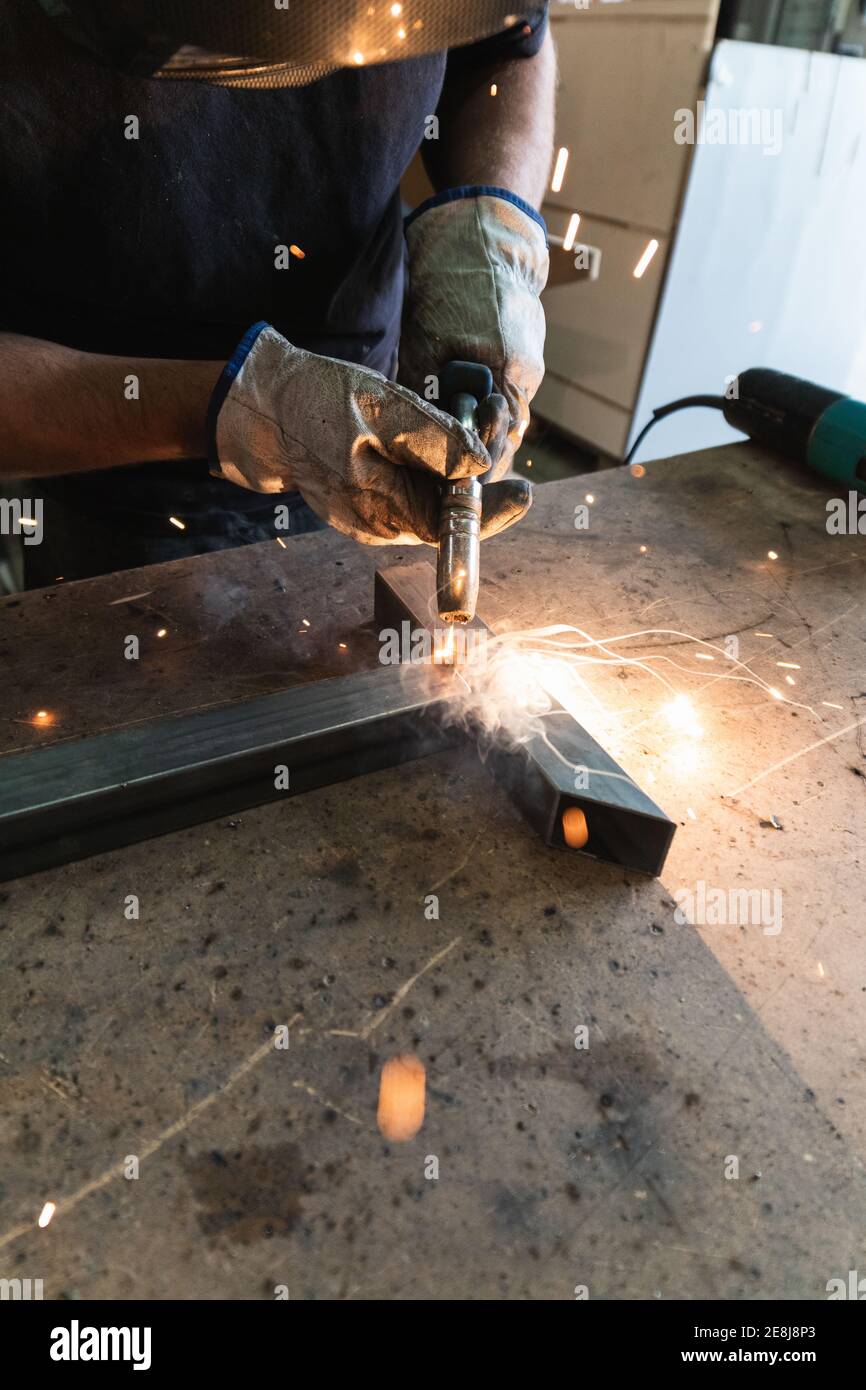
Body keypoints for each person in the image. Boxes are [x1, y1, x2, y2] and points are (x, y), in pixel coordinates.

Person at [0, 0, 554, 587]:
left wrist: (487, 239)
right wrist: (245, 408)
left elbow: (504, 49)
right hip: (105, 460)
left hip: (380, 411)